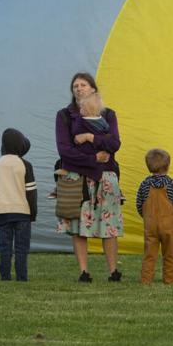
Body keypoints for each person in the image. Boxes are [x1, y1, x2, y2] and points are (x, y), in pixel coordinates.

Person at [55, 71, 124, 282]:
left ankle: (113, 271)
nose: (79, 88)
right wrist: (94, 158)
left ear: (93, 89)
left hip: (105, 177)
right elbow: (65, 150)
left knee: (109, 226)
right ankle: (84, 271)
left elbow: (114, 144)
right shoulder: (65, 115)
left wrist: (89, 137)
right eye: (75, 85)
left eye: (83, 84)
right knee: (78, 227)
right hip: (77, 178)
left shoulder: (108, 114)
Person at [0, 128, 37, 281]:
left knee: (4, 247)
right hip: (22, 212)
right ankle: (21, 277)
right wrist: (33, 213)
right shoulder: (25, 164)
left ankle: (5, 276)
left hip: (1, 211)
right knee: (22, 247)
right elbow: (31, 193)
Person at [136, 148, 173, 284]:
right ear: (168, 166)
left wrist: (145, 217)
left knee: (149, 254)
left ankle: (146, 279)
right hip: (168, 224)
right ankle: (169, 279)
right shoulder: (172, 184)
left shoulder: (144, 184)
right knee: (170, 253)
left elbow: (139, 203)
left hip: (150, 225)